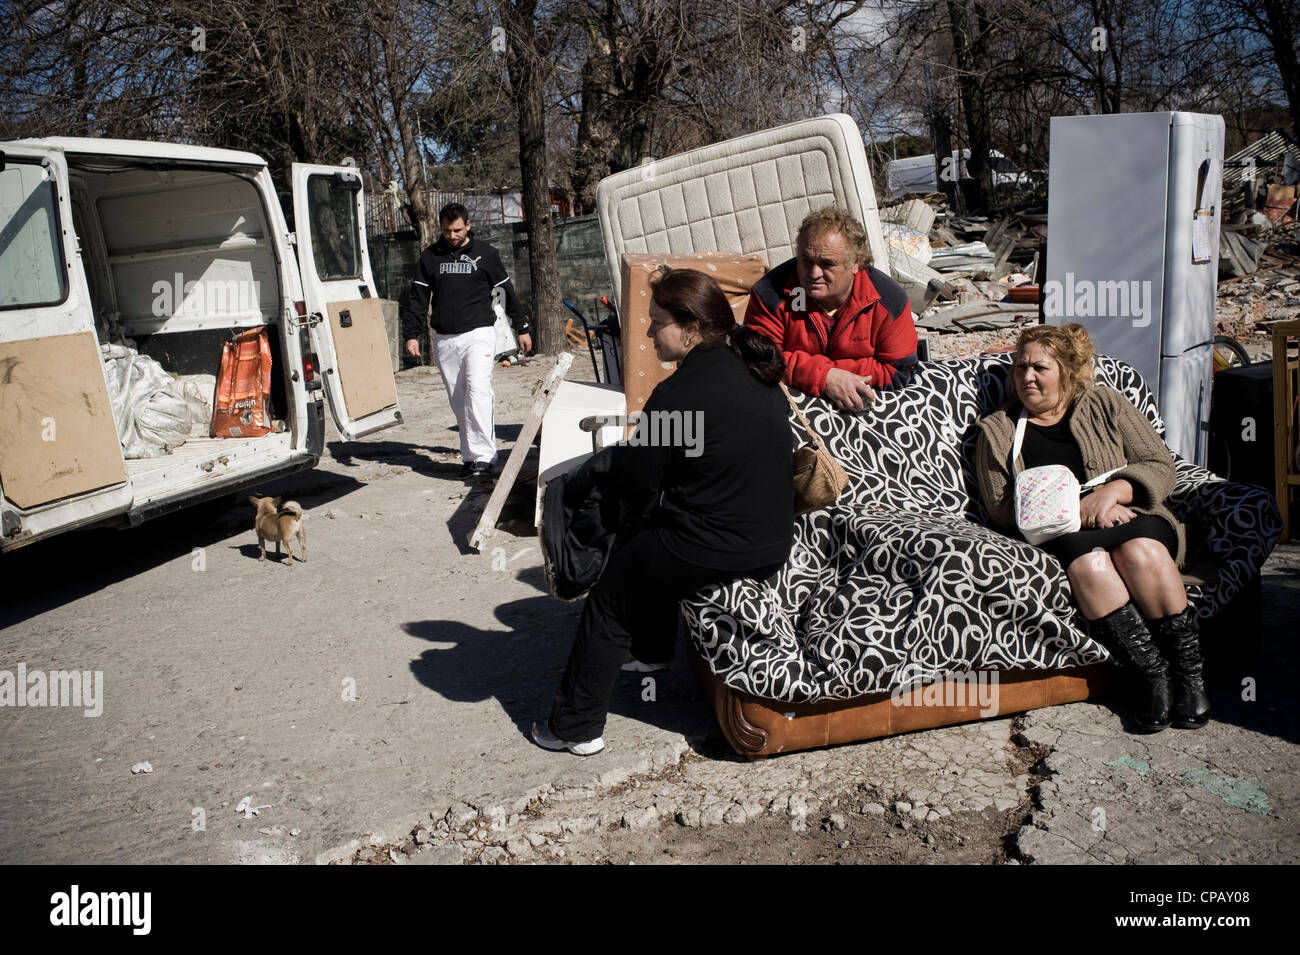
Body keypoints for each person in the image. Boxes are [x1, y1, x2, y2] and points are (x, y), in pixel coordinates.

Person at [533, 268, 794, 755]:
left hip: (720, 545)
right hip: (774, 539)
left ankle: (574, 727)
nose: (649, 332)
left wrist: (601, 525)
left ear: (691, 327)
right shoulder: (755, 371)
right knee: (650, 546)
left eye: (657, 323)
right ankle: (651, 655)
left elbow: (636, 487)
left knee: (614, 591)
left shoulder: (676, 396)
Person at [974, 324, 1209, 734]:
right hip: (1065, 533)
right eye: (1020, 367)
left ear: (1067, 370)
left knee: (1140, 552)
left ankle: (1189, 676)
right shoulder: (998, 430)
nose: (1026, 377)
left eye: (1039, 368)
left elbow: (1160, 464)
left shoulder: (1106, 403)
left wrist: (1115, 492)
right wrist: (1079, 511)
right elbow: (1000, 508)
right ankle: (1152, 678)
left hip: (1135, 515)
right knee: (1090, 566)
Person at [400, 203, 532, 478]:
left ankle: (485, 456)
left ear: (468, 225)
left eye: (457, 230)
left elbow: (506, 289)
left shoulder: (486, 254)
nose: (452, 235)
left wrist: (521, 326)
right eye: (447, 231)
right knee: (458, 399)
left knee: (478, 391)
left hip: (479, 334)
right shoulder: (430, 257)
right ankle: (470, 457)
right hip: (445, 337)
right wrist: (411, 334)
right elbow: (418, 300)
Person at [744, 206, 919, 411]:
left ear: (856, 264)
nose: (813, 273)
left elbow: (900, 372)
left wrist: (833, 375)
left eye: (827, 264)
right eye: (806, 261)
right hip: (793, 406)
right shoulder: (770, 294)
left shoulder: (889, 301)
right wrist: (824, 377)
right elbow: (758, 358)